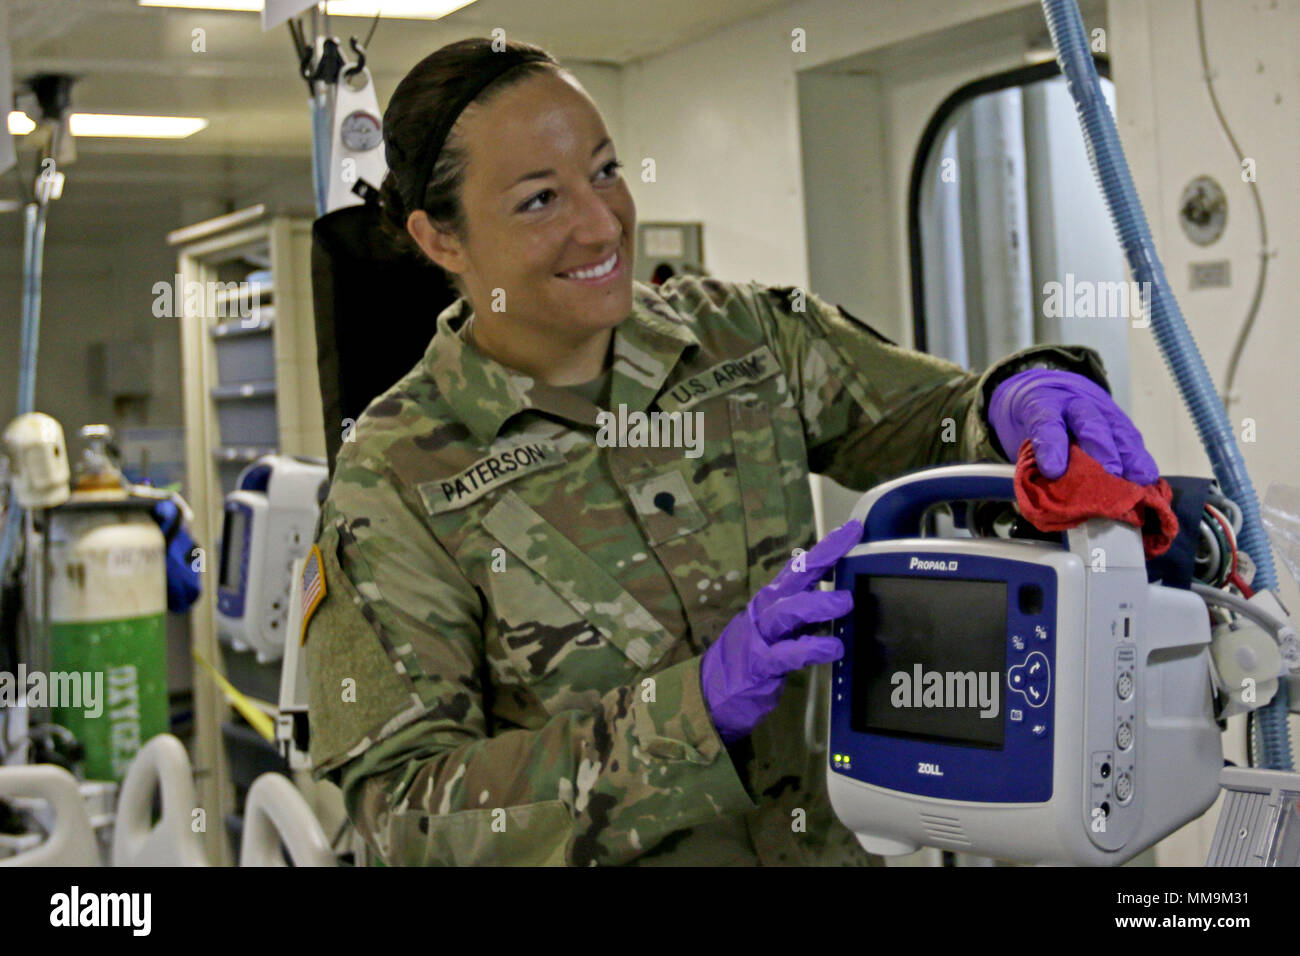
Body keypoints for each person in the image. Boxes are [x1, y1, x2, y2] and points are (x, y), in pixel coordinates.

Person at [301, 37, 1158, 866]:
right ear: (439, 239)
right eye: (539, 200)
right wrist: (693, 712)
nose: (603, 226)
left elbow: (934, 420)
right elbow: (404, 819)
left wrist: (1013, 399)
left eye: (604, 172)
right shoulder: (396, 477)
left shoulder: (745, 341)